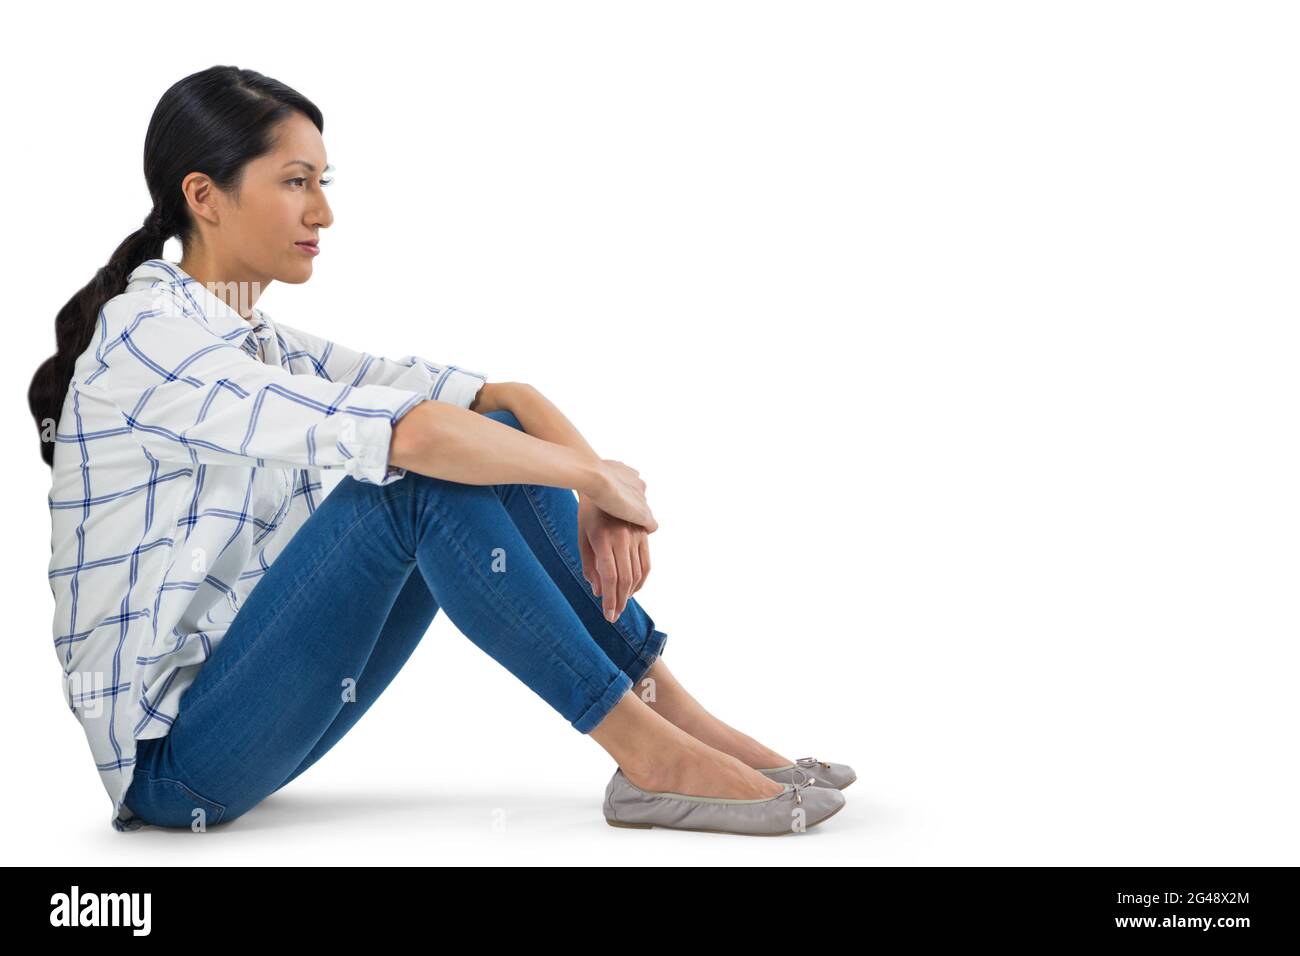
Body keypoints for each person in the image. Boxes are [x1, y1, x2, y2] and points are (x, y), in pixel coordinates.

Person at [28, 65, 850, 836]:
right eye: (294, 182)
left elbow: (504, 400)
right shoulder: (149, 337)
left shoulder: (259, 341)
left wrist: (597, 489)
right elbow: (412, 438)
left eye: (322, 182)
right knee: (419, 479)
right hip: (176, 769)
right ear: (204, 196)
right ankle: (648, 755)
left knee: (492, 444)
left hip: (260, 712)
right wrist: (594, 477)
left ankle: (676, 718)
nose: (323, 212)